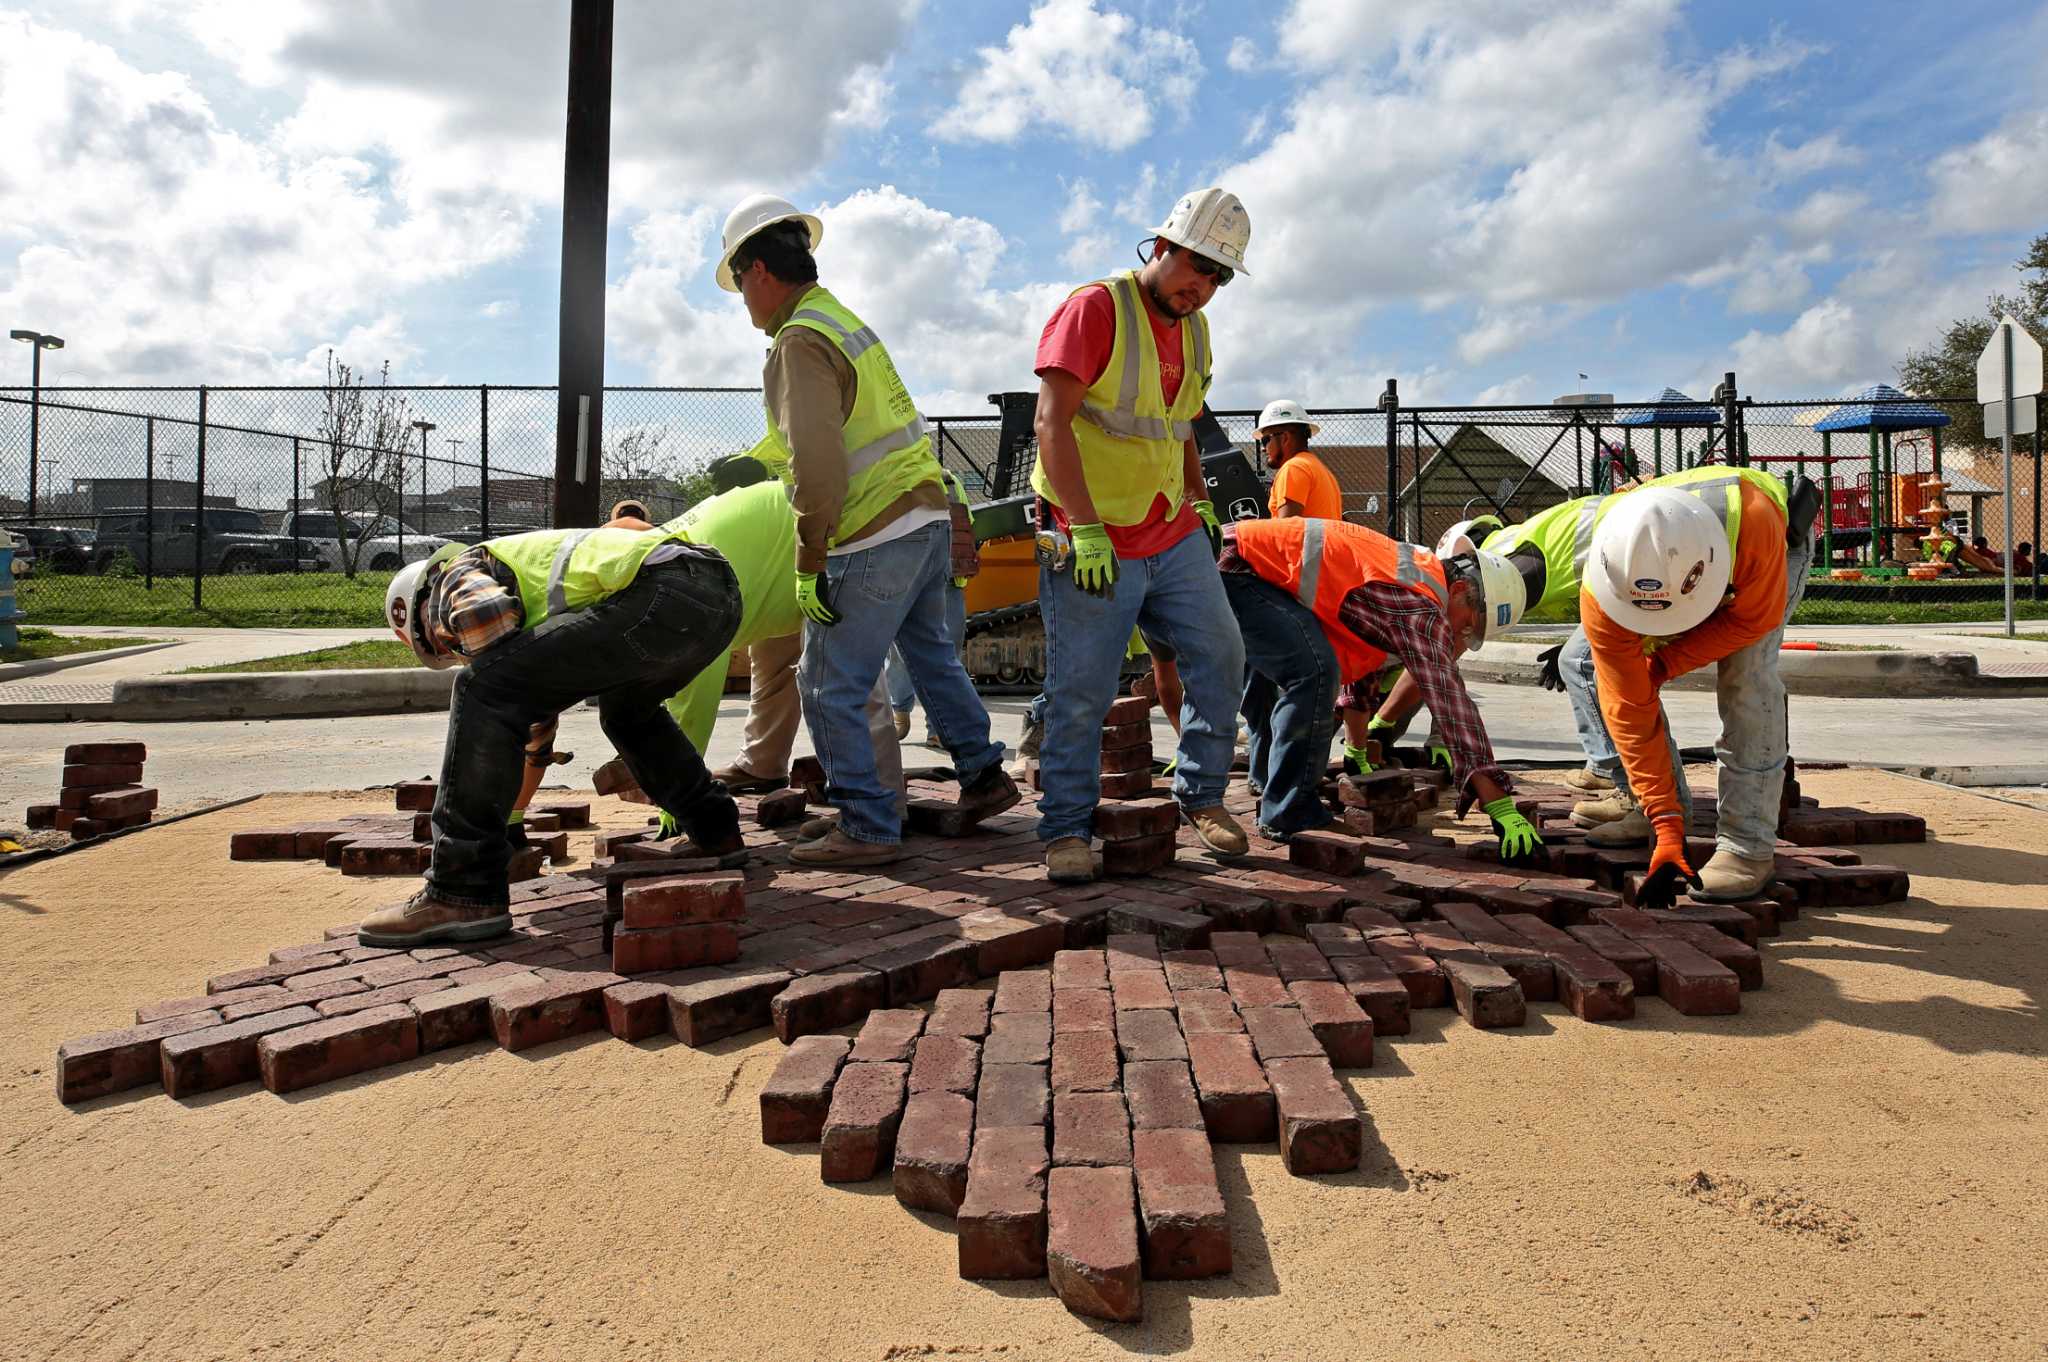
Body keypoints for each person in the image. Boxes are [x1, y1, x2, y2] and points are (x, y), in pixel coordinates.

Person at [718, 193, 1016, 867]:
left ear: (758, 270)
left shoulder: (799, 340)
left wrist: (809, 556)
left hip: (872, 530)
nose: (744, 302)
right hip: (925, 517)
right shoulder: (843, 320)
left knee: (829, 683)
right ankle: (983, 773)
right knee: (931, 659)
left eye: (739, 284)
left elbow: (819, 462)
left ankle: (867, 823)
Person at [359, 524, 744, 947]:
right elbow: (527, 690)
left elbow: (495, 641)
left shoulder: (452, 576)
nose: (451, 648)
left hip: (665, 590)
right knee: (628, 714)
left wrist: (504, 702)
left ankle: (461, 890)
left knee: (480, 686)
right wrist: (515, 804)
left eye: (439, 644)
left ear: (421, 606)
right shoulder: (507, 568)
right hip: (715, 596)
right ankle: (715, 830)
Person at [1028, 186, 1253, 883]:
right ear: (1162, 247)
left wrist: (1199, 500)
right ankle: (1066, 829)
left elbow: (1179, 424)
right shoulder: (1095, 308)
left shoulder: (1196, 329)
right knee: (1081, 689)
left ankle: (1202, 795)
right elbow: (1050, 422)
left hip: (1169, 527)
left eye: (1219, 275)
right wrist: (1085, 526)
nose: (1204, 285)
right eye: (1198, 265)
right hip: (1090, 532)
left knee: (1222, 654)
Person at [1216, 516, 1542, 863]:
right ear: (1460, 590)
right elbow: (1451, 703)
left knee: (1303, 666)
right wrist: (1500, 806)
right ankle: (1288, 811)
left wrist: (1357, 749)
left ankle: (1270, 780)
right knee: (1313, 674)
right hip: (1239, 568)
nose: (1461, 636)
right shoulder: (1421, 607)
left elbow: (1362, 666)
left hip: (1240, 561)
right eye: (1467, 626)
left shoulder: (1412, 577)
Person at [1577, 470, 1812, 905]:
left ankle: (1747, 848)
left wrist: (1664, 663)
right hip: (1695, 567)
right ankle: (1661, 813)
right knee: (1627, 687)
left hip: (1768, 556)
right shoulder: (1604, 585)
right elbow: (1628, 708)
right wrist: (1665, 821)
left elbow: (1751, 622)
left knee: (1747, 680)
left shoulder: (1753, 524)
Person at [887, 468, 976, 742]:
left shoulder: (892, 475)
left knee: (902, 649)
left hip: (910, 574)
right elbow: (968, 524)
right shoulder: (949, 481)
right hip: (944, 575)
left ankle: (904, 716)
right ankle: (931, 726)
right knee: (944, 653)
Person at [1255, 399, 1343, 519]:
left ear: (1285, 438)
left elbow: (1288, 528)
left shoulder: (1293, 469)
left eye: (1265, 440)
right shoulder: (1318, 468)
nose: (1263, 449)